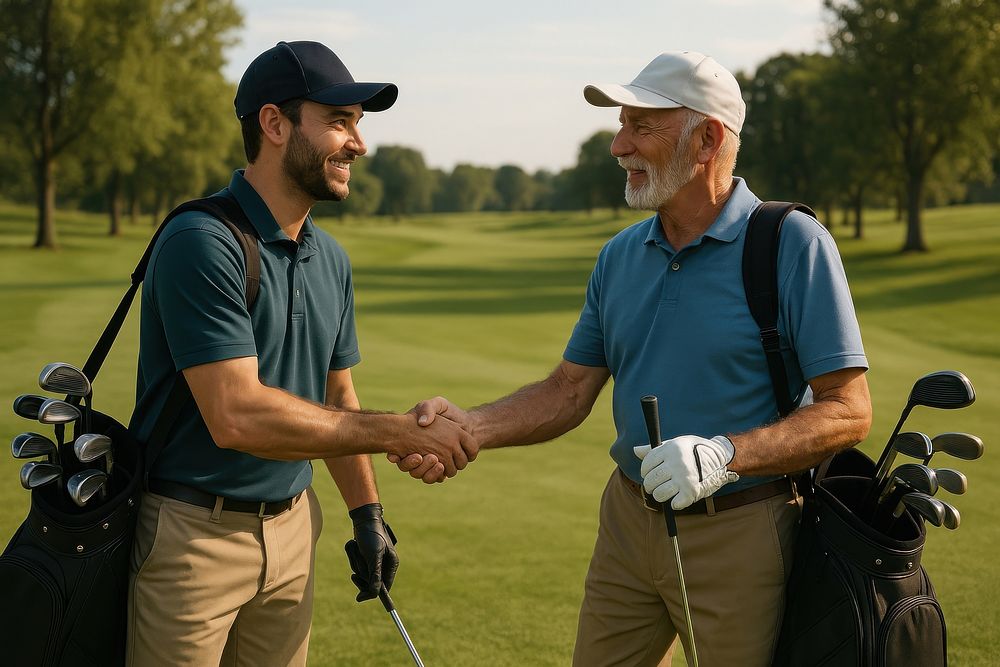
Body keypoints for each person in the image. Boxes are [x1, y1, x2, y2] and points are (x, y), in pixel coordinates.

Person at [393, 51, 872, 666]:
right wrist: (472, 427)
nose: (618, 146)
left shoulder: (790, 242)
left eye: (641, 127)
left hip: (740, 526)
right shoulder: (620, 255)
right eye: (621, 126)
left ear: (707, 139)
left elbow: (847, 411)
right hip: (628, 521)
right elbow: (570, 389)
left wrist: (724, 455)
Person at [126, 41, 475, 667]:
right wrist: (399, 431)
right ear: (275, 124)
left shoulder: (330, 258)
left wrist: (367, 514)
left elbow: (338, 398)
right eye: (339, 122)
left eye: (357, 124)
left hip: (293, 532)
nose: (358, 144)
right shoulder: (201, 240)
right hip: (193, 538)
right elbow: (237, 416)